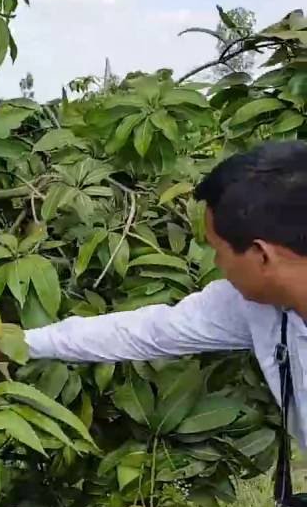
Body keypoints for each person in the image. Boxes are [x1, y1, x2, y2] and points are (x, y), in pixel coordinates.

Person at [24, 141, 307, 444]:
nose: (216, 263)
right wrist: (21, 343)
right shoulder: (258, 306)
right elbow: (150, 331)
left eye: (217, 250)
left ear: (261, 254)